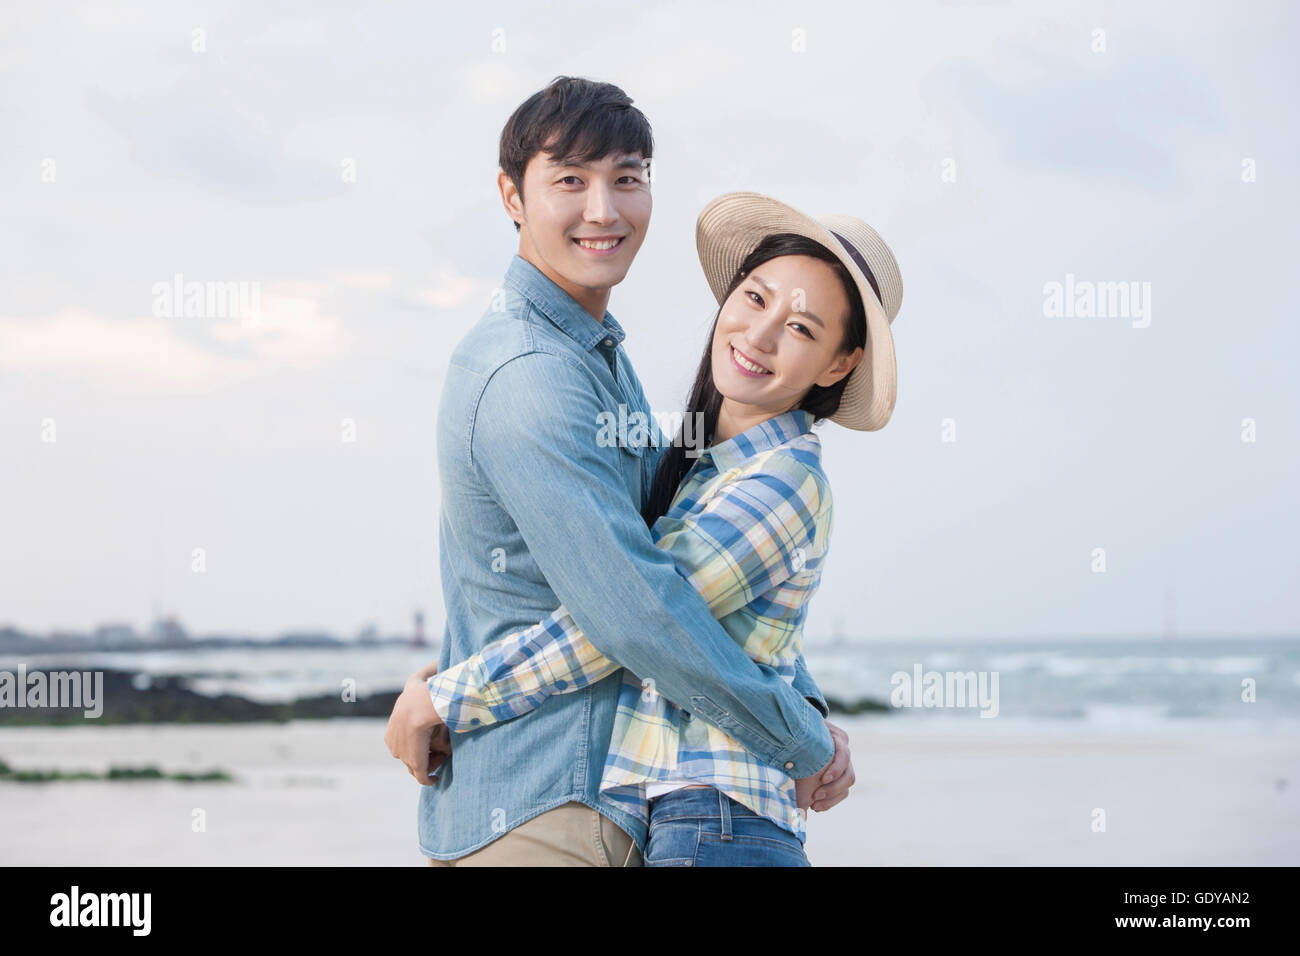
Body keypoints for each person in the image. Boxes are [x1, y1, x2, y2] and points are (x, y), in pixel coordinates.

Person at [384, 76, 881, 866]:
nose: (603, 210)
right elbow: (638, 610)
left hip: (585, 797)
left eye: (627, 179)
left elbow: (696, 593)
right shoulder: (530, 373)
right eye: (570, 181)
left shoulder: (601, 363)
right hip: (543, 800)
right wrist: (803, 735)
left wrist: (806, 714)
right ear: (512, 195)